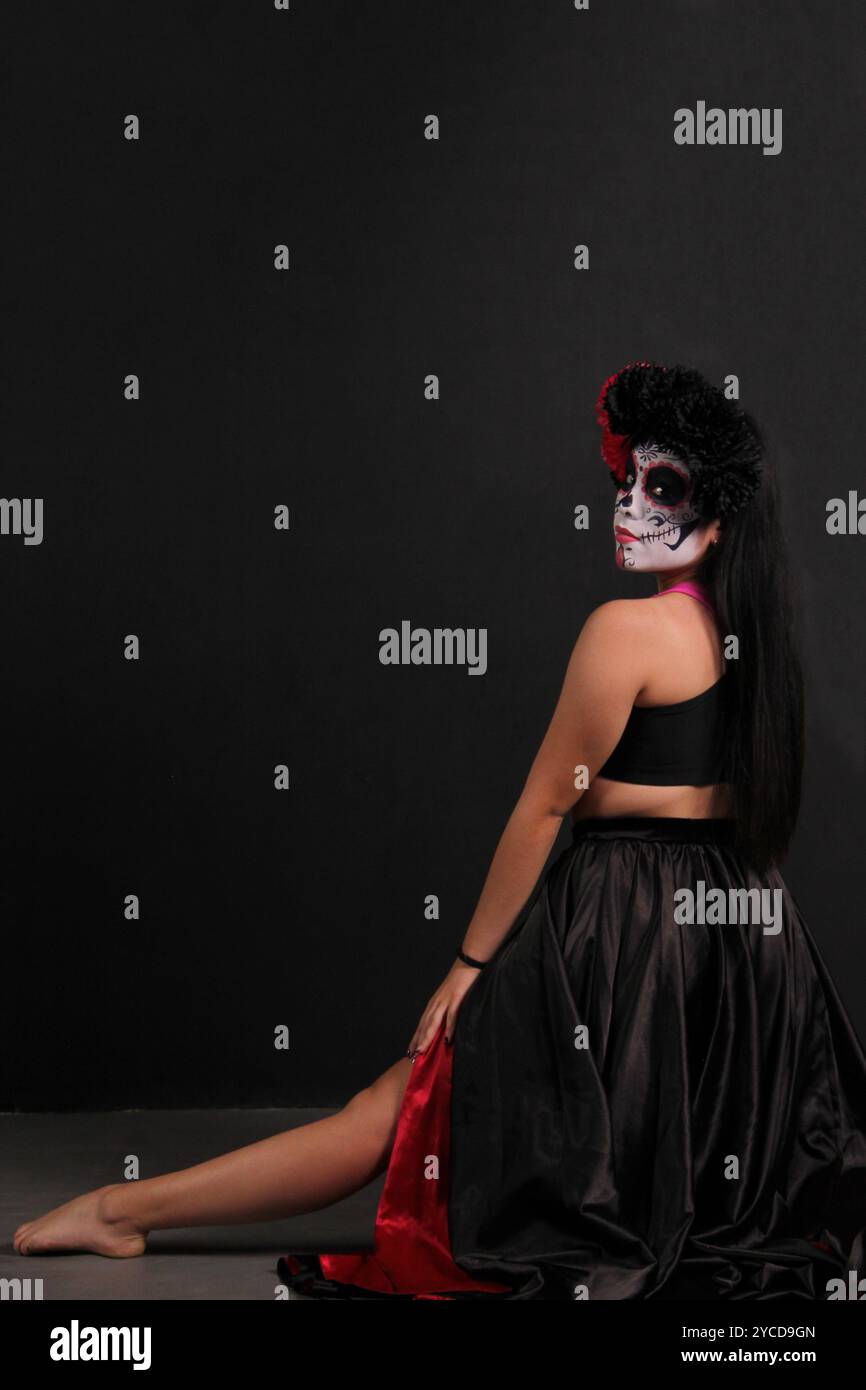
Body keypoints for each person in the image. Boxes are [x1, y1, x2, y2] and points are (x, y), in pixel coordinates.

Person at [14, 362, 866, 1301]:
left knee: (397, 1104)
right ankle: (125, 1211)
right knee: (494, 1119)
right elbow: (748, 821)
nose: (626, 506)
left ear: (720, 508)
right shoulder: (762, 646)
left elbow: (544, 807)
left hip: (624, 925)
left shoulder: (628, 632)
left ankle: (120, 1211)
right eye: (623, 483)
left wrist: (468, 967)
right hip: (742, 933)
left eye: (660, 486)